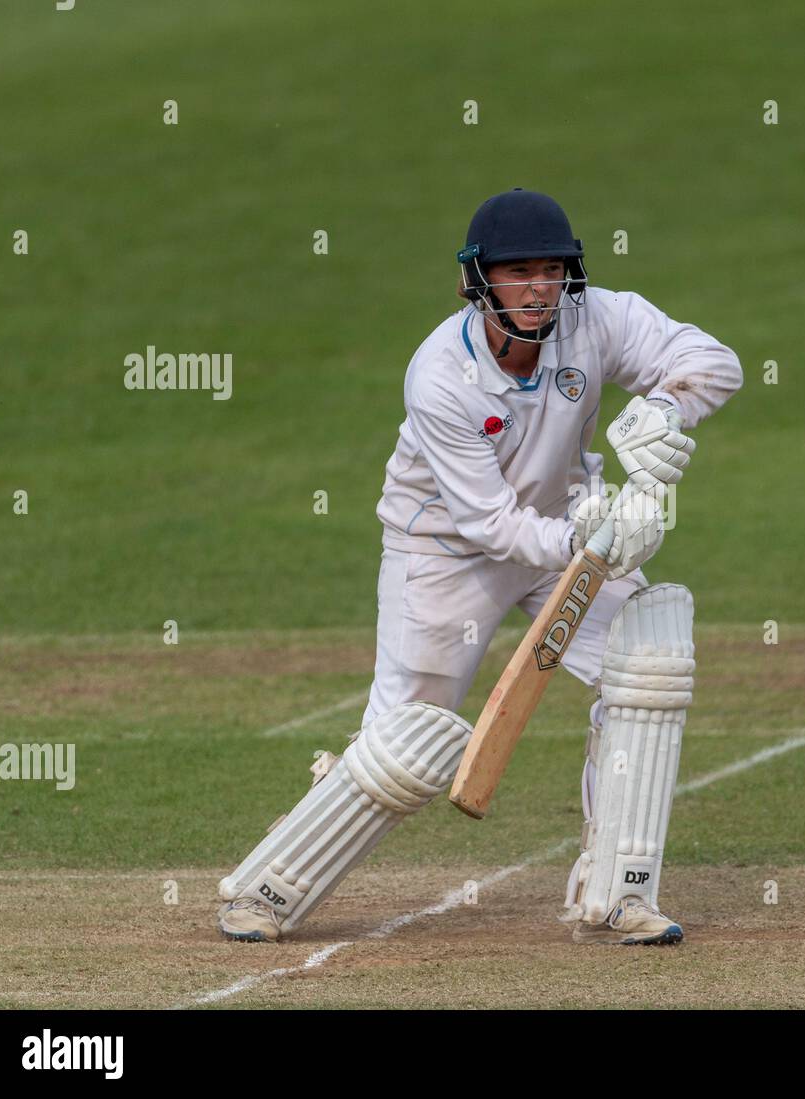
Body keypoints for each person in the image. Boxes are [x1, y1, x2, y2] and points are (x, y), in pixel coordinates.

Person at [216, 189, 742, 945]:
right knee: (408, 743)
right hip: (446, 553)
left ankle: (618, 893)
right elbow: (489, 521)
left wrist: (664, 408)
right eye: (518, 271)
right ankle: (269, 885)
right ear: (479, 281)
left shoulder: (595, 319)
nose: (538, 288)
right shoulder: (438, 374)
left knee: (648, 660)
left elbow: (712, 362)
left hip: (565, 526)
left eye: (552, 270)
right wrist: (586, 540)